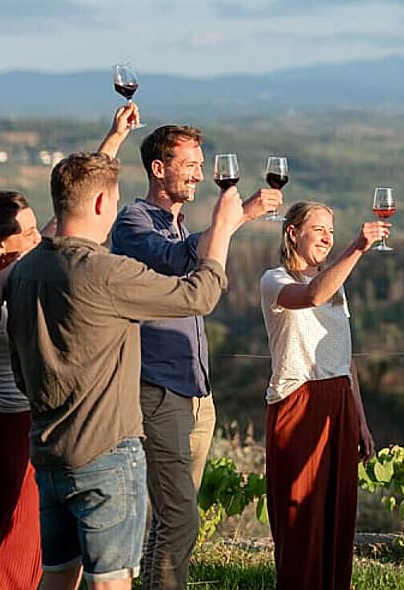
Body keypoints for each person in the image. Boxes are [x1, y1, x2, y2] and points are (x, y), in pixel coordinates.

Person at [5, 149, 245, 590]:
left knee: (57, 578)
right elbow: (198, 297)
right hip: (106, 455)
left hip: (49, 451)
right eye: (114, 201)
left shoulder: (25, 271)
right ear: (99, 203)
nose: (116, 210)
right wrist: (225, 230)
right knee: (110, 582)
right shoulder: (105, 273)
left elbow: (20, 370)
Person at [0, 104, 137, 590]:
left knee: (29, 557)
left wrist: (112, 140)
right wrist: (26, 262)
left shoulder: (24, 259)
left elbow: (65, 217)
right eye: (24, 232)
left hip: (32, 431)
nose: (37, 235)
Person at [109, 125, 281, 590]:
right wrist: (231, 221)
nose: (199, 176)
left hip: (195, 391)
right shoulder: (133, 223)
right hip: (158, 389)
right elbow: (177, 260)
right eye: (190, 166)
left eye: (201, 167)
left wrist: (238, 217)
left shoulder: (178, 222)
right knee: (180, 520)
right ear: (158, 169)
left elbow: (194, 248)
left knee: (169, 521)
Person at [258, 201, 387, 590]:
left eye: (331, 230)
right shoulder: (274, 280)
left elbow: (345, 359)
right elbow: (312, 295)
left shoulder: (336, 282)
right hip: (298, 406)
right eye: (318, 230)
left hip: (340, 405)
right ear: (292, 233)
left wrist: (361, 422)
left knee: (337, 518)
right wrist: (357, 248)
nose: (328, 237)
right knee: (301, 521)